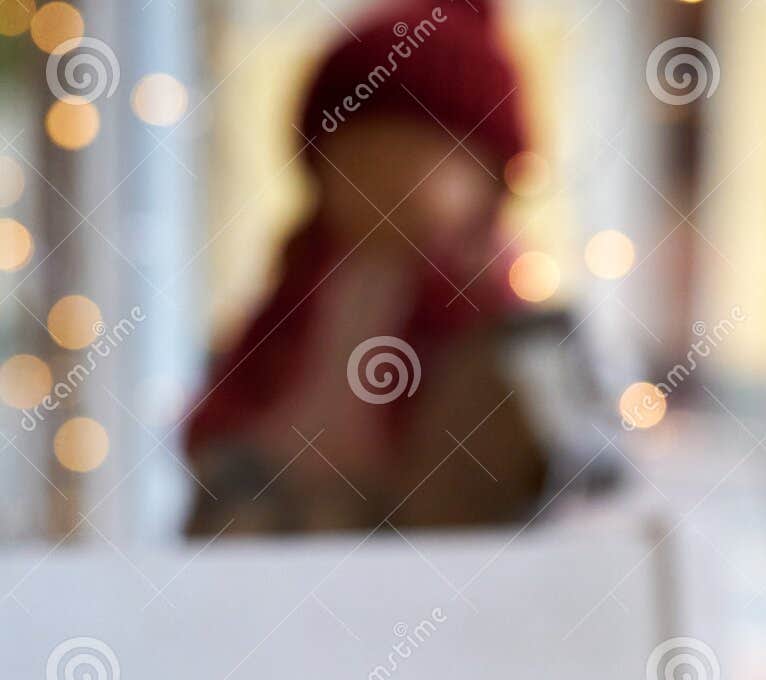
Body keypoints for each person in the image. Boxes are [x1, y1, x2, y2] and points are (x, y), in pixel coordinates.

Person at [185, 0, 550, 534]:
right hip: (278, 506)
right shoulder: (300, 287)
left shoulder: (488, 308)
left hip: (407, 525)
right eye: (356, 158)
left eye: (415, 157)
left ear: (490, 179)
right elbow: (231, 397)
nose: (379, 182)